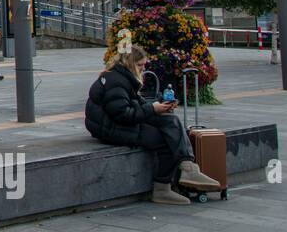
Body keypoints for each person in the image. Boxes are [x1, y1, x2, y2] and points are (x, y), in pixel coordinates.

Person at [84, 46, 221, 205]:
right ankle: (162, 189)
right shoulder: (116, 81)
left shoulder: (123, 76)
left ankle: (189, 168)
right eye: (140, 65)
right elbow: (122, 114)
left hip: (118, 122)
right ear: (130, 63)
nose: (144, 69)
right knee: (163, 139)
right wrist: (152, 109)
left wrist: (158, 107)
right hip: (110, 128)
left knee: (171, 121)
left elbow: (134, 105)